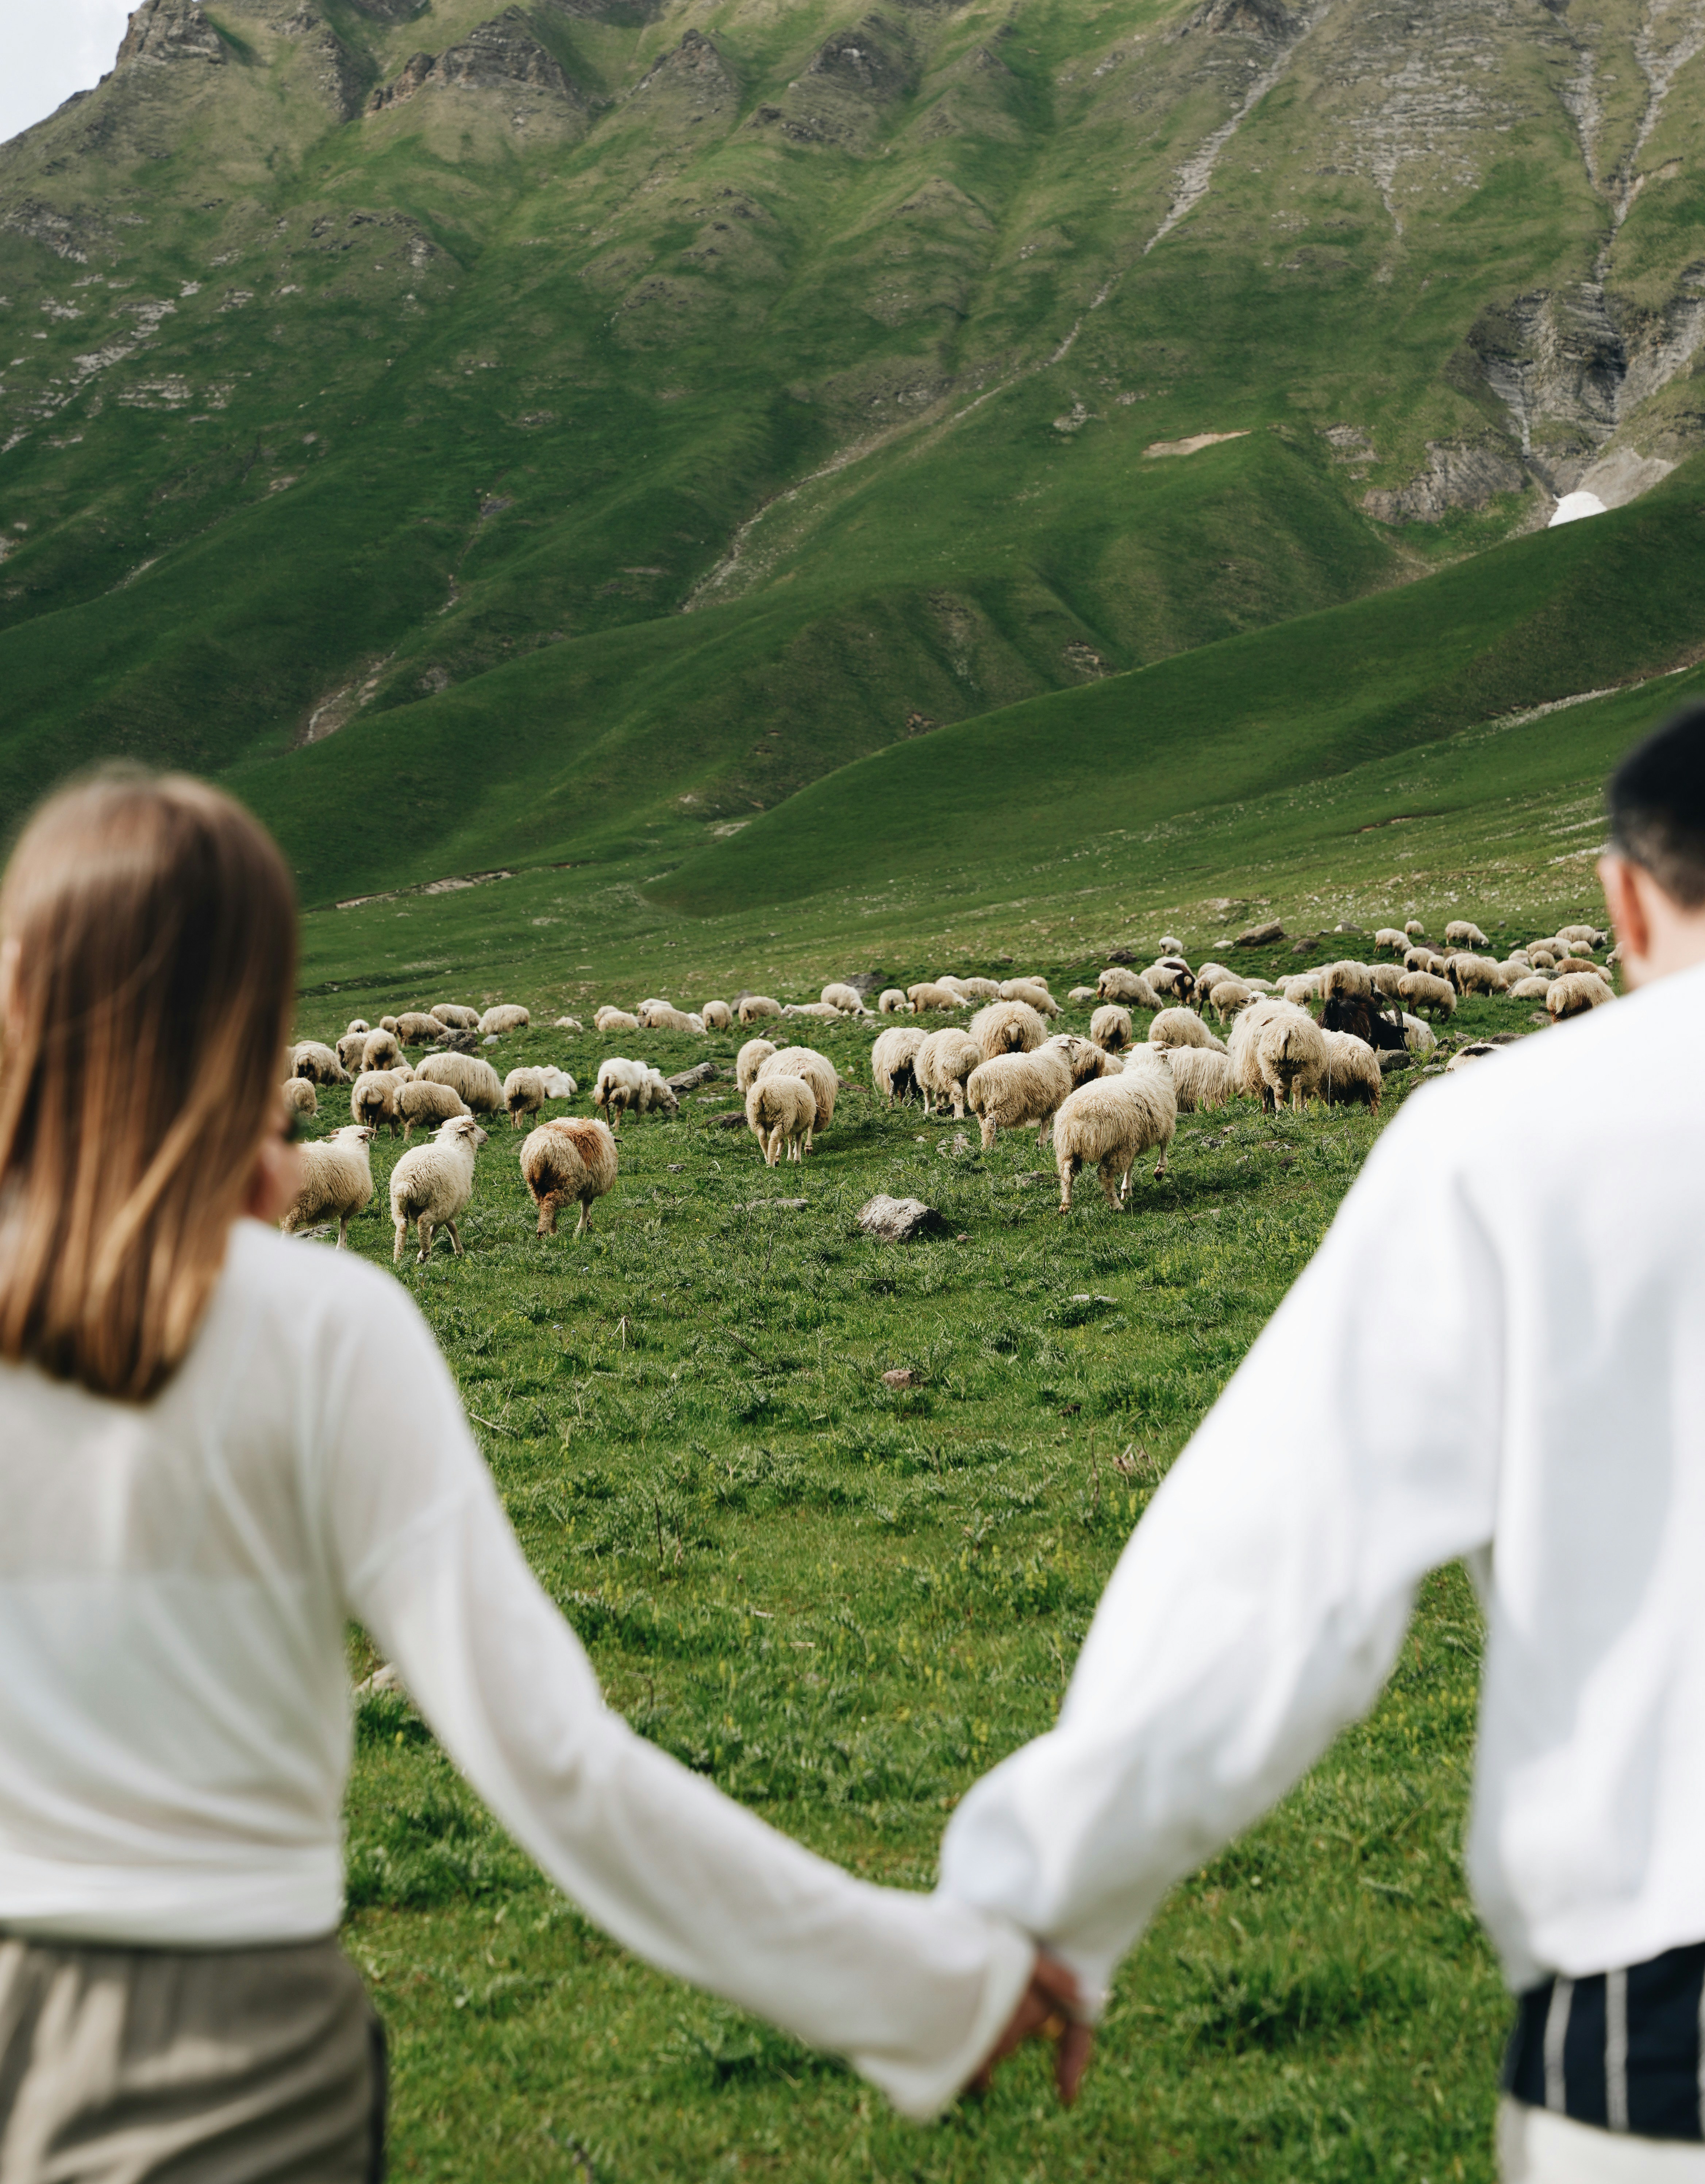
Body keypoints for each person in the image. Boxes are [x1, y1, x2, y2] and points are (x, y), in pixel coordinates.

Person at [0, 770, 1075, 2181]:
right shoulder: (323, 1329)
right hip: (232, 2052)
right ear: (251, 1023)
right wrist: (925, 1987)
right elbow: (554, 1762)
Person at [939, 698, 1705, 2180]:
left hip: (1661, 2009)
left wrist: (1036, 1915)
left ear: (1620, 900)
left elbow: (1271, 1576)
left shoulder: (1506, 1139)